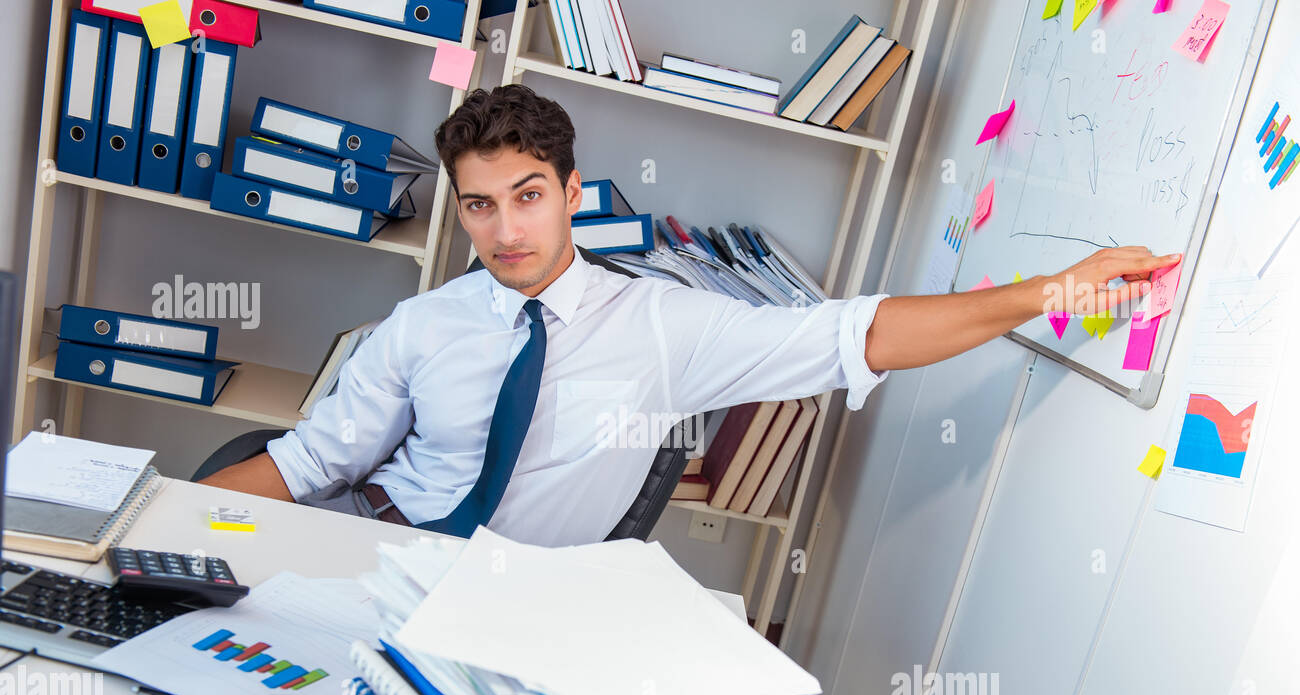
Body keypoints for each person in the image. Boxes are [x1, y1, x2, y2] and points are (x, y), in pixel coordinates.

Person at [199, 85, 1180, 547]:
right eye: (480, 204)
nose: (505, 229)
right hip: (376, 551)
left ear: (572, 193)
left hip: (520, 607)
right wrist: (168, 523)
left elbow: (858, 335)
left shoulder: (667, 326)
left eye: (528, 195)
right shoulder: (422, 327)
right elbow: (311, 462)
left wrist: (1047, 292)